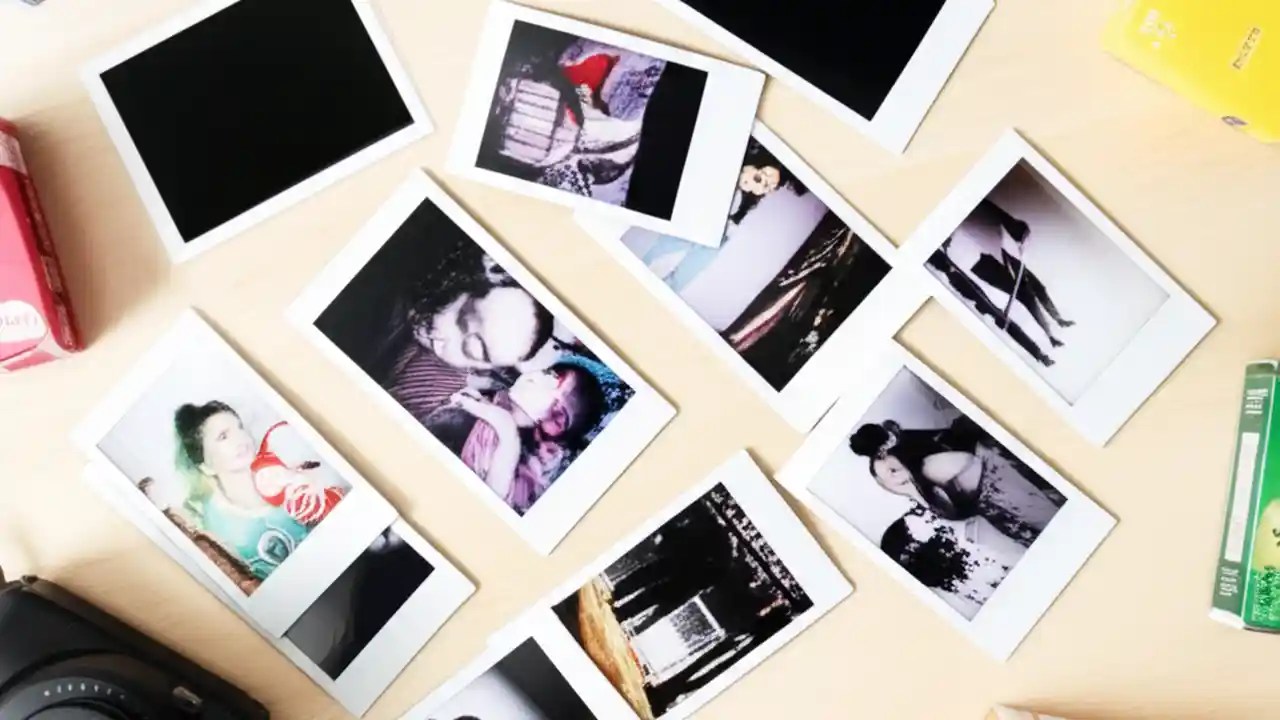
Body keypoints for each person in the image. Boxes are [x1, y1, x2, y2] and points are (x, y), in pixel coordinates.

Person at [172, 402, 346, 581]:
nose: (241, 438)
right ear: (206, 466)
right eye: (223, 436)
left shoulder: (290, 465)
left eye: (240, 428)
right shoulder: (216, 530)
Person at [427, 362, 606, 514]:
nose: (539, 379)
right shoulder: (494, 397)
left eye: (554, 386)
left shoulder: (534, 471)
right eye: (549, 373)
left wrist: (506, 431)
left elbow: (490, 507)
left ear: (555, 423)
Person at [850, 418, 1062, 546]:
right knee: (1040, 520)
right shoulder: (891, 463)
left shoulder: (885, 467)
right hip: (987, 486)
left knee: (1037, 523)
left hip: (983, 488)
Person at [932, 199, 1074, 366]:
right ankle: (1044, 349)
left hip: (992, 256)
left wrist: (1019, 236)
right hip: (981, 268)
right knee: (1009, 311)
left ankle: (1053, 329)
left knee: (1030, 291)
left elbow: (1014, 227)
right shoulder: (949, 254)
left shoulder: (970, 214)